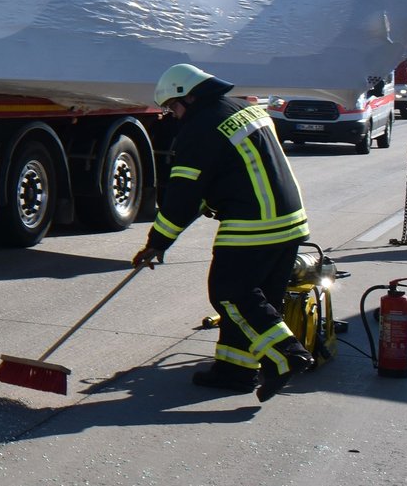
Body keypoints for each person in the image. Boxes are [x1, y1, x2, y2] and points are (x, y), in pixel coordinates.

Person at [133, 63, 315, 401]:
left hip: (253, 224)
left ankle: (287, 355)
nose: (172, 115)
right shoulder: (244, 108)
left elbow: (183, 195)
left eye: (172, 107)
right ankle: (236, 371)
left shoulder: (200, 127)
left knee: (230, 294)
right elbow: (231, 170)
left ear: (188, 97)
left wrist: (157, 242)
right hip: (290, 219)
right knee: (259, 299)